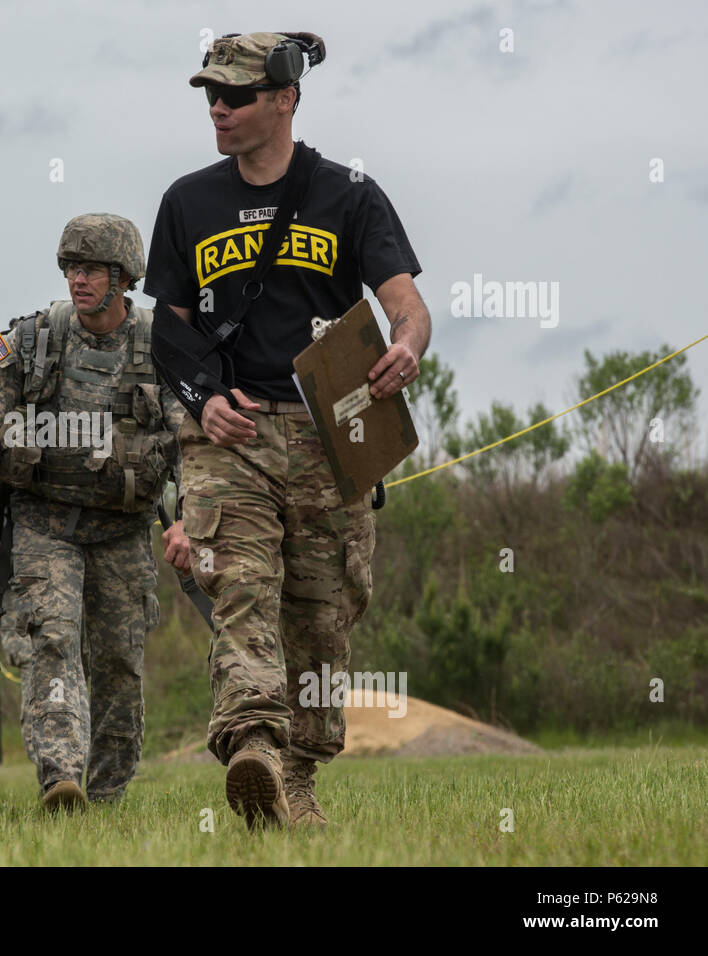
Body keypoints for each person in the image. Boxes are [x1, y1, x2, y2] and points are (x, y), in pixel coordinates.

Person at [145, 31, 430, 829]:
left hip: (331, 432)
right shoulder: (187, 202)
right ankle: (253, 744)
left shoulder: (350, 195)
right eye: (210, 95)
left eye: (235, 95)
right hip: (227, 434)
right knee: (239, 588)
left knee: (324, 615)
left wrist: (406, 345)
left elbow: (404, 303)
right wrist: (202, 398)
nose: (219, 109)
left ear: (286, 98)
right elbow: (166, 328)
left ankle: (297, 775)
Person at [0, 214, 178, 810]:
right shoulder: (33, 341)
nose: (79, 279)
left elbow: (189, 443)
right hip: (45, 525)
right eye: (72, 267)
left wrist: (191, 523)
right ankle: (60, 777)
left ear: (124, 278)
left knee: (120, 661)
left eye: (93, 269)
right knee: (52, 639)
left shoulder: (161, 345)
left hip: (122, 532)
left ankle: (109, 794)